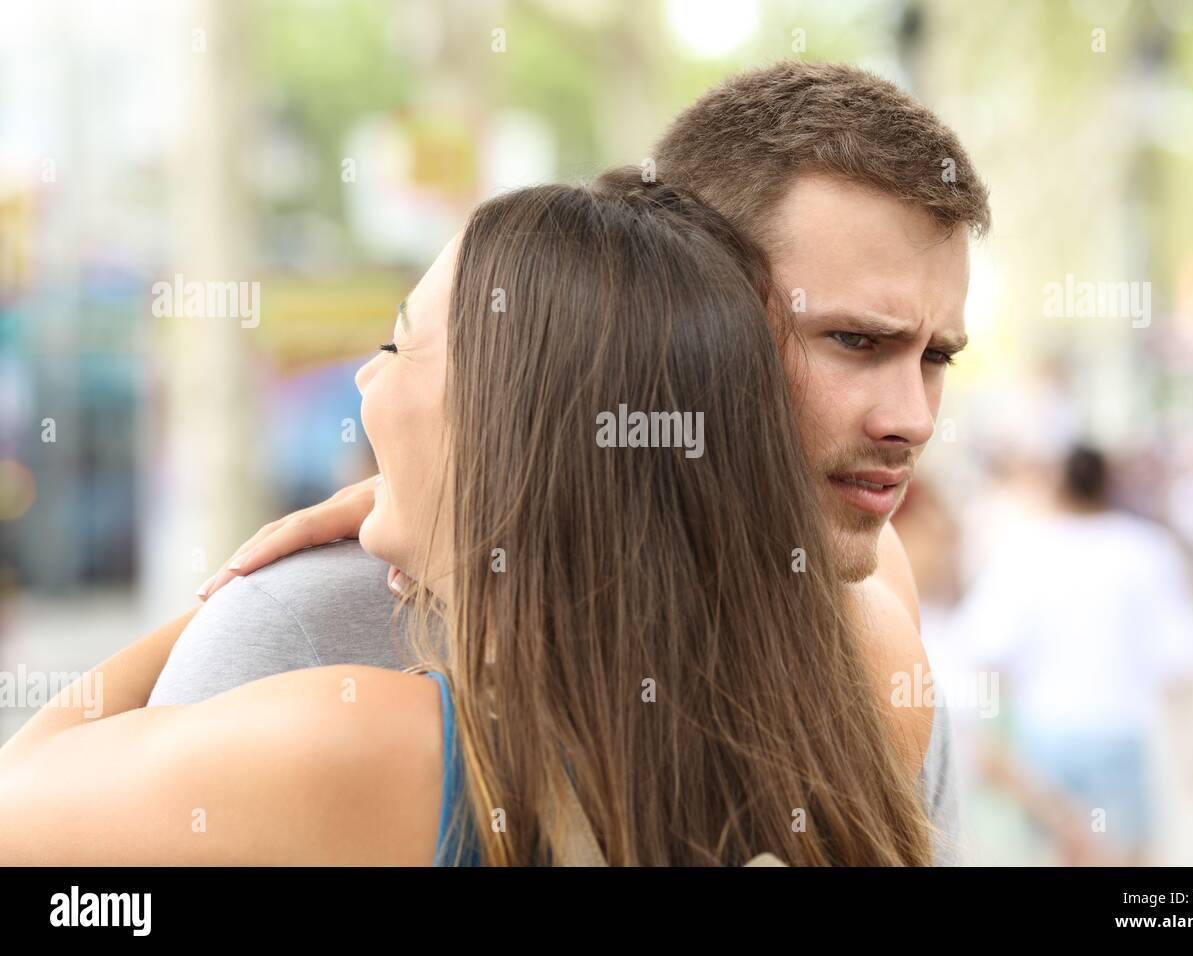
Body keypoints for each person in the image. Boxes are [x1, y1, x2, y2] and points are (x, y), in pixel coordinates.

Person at [150, 62, 990, 864]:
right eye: (854, 341)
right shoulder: (305, 624)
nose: (912, 420)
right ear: (683, 298)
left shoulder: (864, 641)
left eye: (935, 358)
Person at [0, 179, 938, 865]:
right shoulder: (862, 681)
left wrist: (227, 591)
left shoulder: (372, 752)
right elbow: (822, 536)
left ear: (494, 426)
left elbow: (20, 799)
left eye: (396, 344)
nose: (368, 382)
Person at [950, 444, 1193, 865]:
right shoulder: (1144, 549)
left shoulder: (1026, 550)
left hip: (1044, 735)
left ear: (1060, 483)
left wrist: (990, 735)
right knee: (1124, 857)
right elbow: (1180, 657)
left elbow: (983, 644)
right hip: (1119, 728)